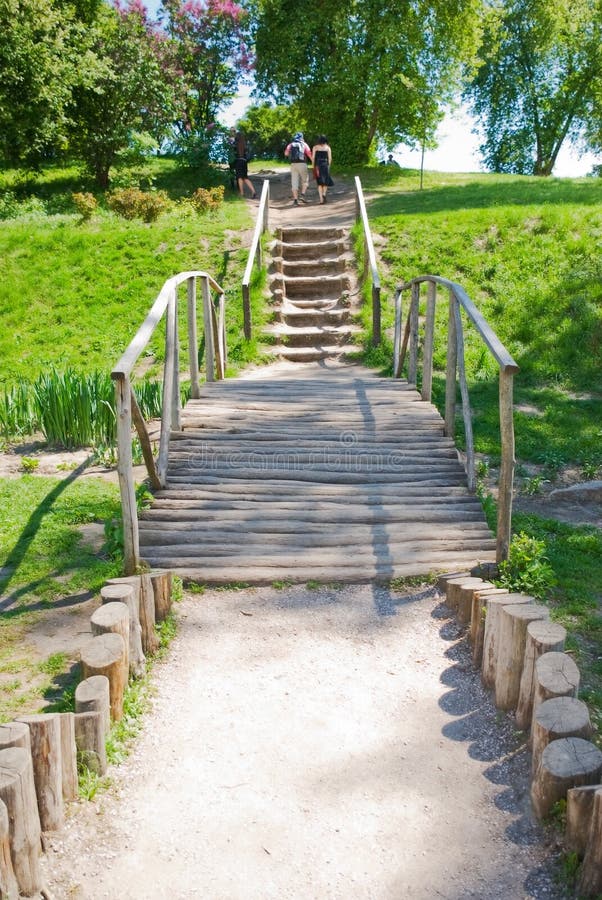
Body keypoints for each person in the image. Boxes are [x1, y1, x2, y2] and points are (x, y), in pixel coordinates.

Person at [284, 131, 312, 205]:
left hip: (293, 165)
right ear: (302, 137)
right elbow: (309, 153)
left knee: (294, 183)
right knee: (305, 180)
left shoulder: (291, 144)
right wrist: (313, 162)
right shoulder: (304, 144)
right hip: (302, 164)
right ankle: (302, 195)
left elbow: (286, 153)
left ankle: (295, 200)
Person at [232, 129, 257, 199]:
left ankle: (242, 193)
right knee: (245, 177)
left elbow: (232, 149)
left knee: (239, 178)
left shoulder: (235, 144)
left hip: (238, 161)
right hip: (244, 162)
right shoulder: (245, 144)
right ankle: (253, 191)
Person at [311, 134, 333, 204]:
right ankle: (324, 194)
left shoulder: (315, 147)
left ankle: (321, 199)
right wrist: (328, 166)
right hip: (325, 165)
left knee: (319, 183)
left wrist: (313, 165)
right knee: (325, 182)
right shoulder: (328, 148)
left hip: (318, 165)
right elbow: (330, 158)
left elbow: (313, 157)